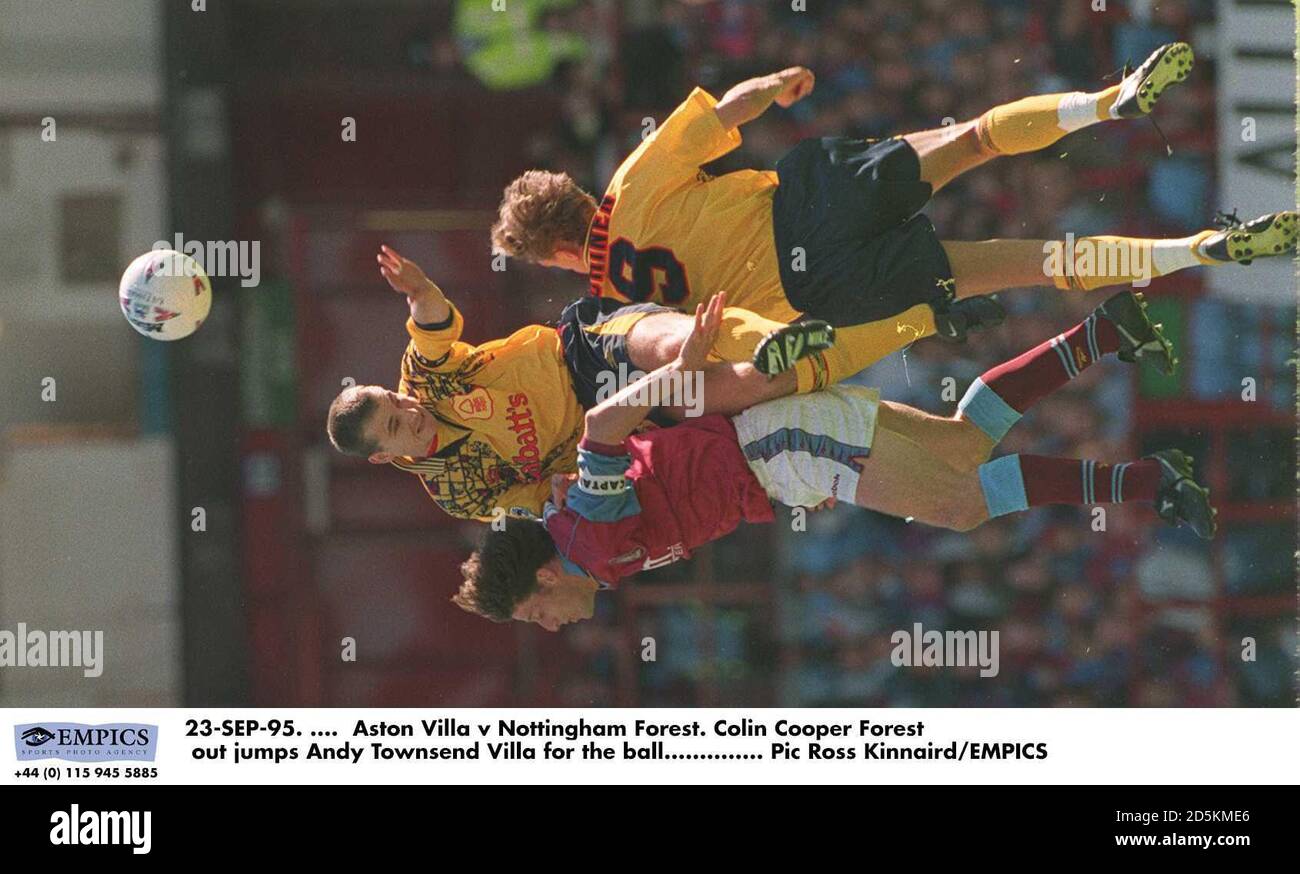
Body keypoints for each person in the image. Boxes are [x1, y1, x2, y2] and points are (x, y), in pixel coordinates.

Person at [492, 43, 1296, 387]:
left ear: (554, 256)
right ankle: (1109, 101)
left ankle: (1197, 250)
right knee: (974, 138)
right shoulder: (631, 179)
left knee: (1033, 264)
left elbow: (694, 362)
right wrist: (775, 84)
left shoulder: (612, 314)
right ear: (577, 193)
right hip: (810, 200)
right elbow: (727, 114)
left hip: (826, 291)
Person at [451, 290, 1215, 630]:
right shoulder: (586, 546)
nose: (548, 627)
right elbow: (681, 486)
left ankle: (1149, 479)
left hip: (780, 449)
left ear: (544, 577)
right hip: (780, 459)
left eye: (534, 614)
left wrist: (680, 364)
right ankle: (1104, 334)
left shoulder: (586, 539)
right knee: (962, 442)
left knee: (960, 504)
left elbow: (604, 422)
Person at [325, 246, 830, 520]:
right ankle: (781, 366)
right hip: (610, 430)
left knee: (674, 349)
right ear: (383, 456)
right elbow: (544, 499)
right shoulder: (456, 493)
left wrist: (419, 290)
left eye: (393, 398)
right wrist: (565, 493)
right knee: (723, 396)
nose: (409, 409)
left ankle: (775, 342)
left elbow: (432, 327)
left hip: (579, 353)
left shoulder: (423, 380)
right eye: (395, 423)